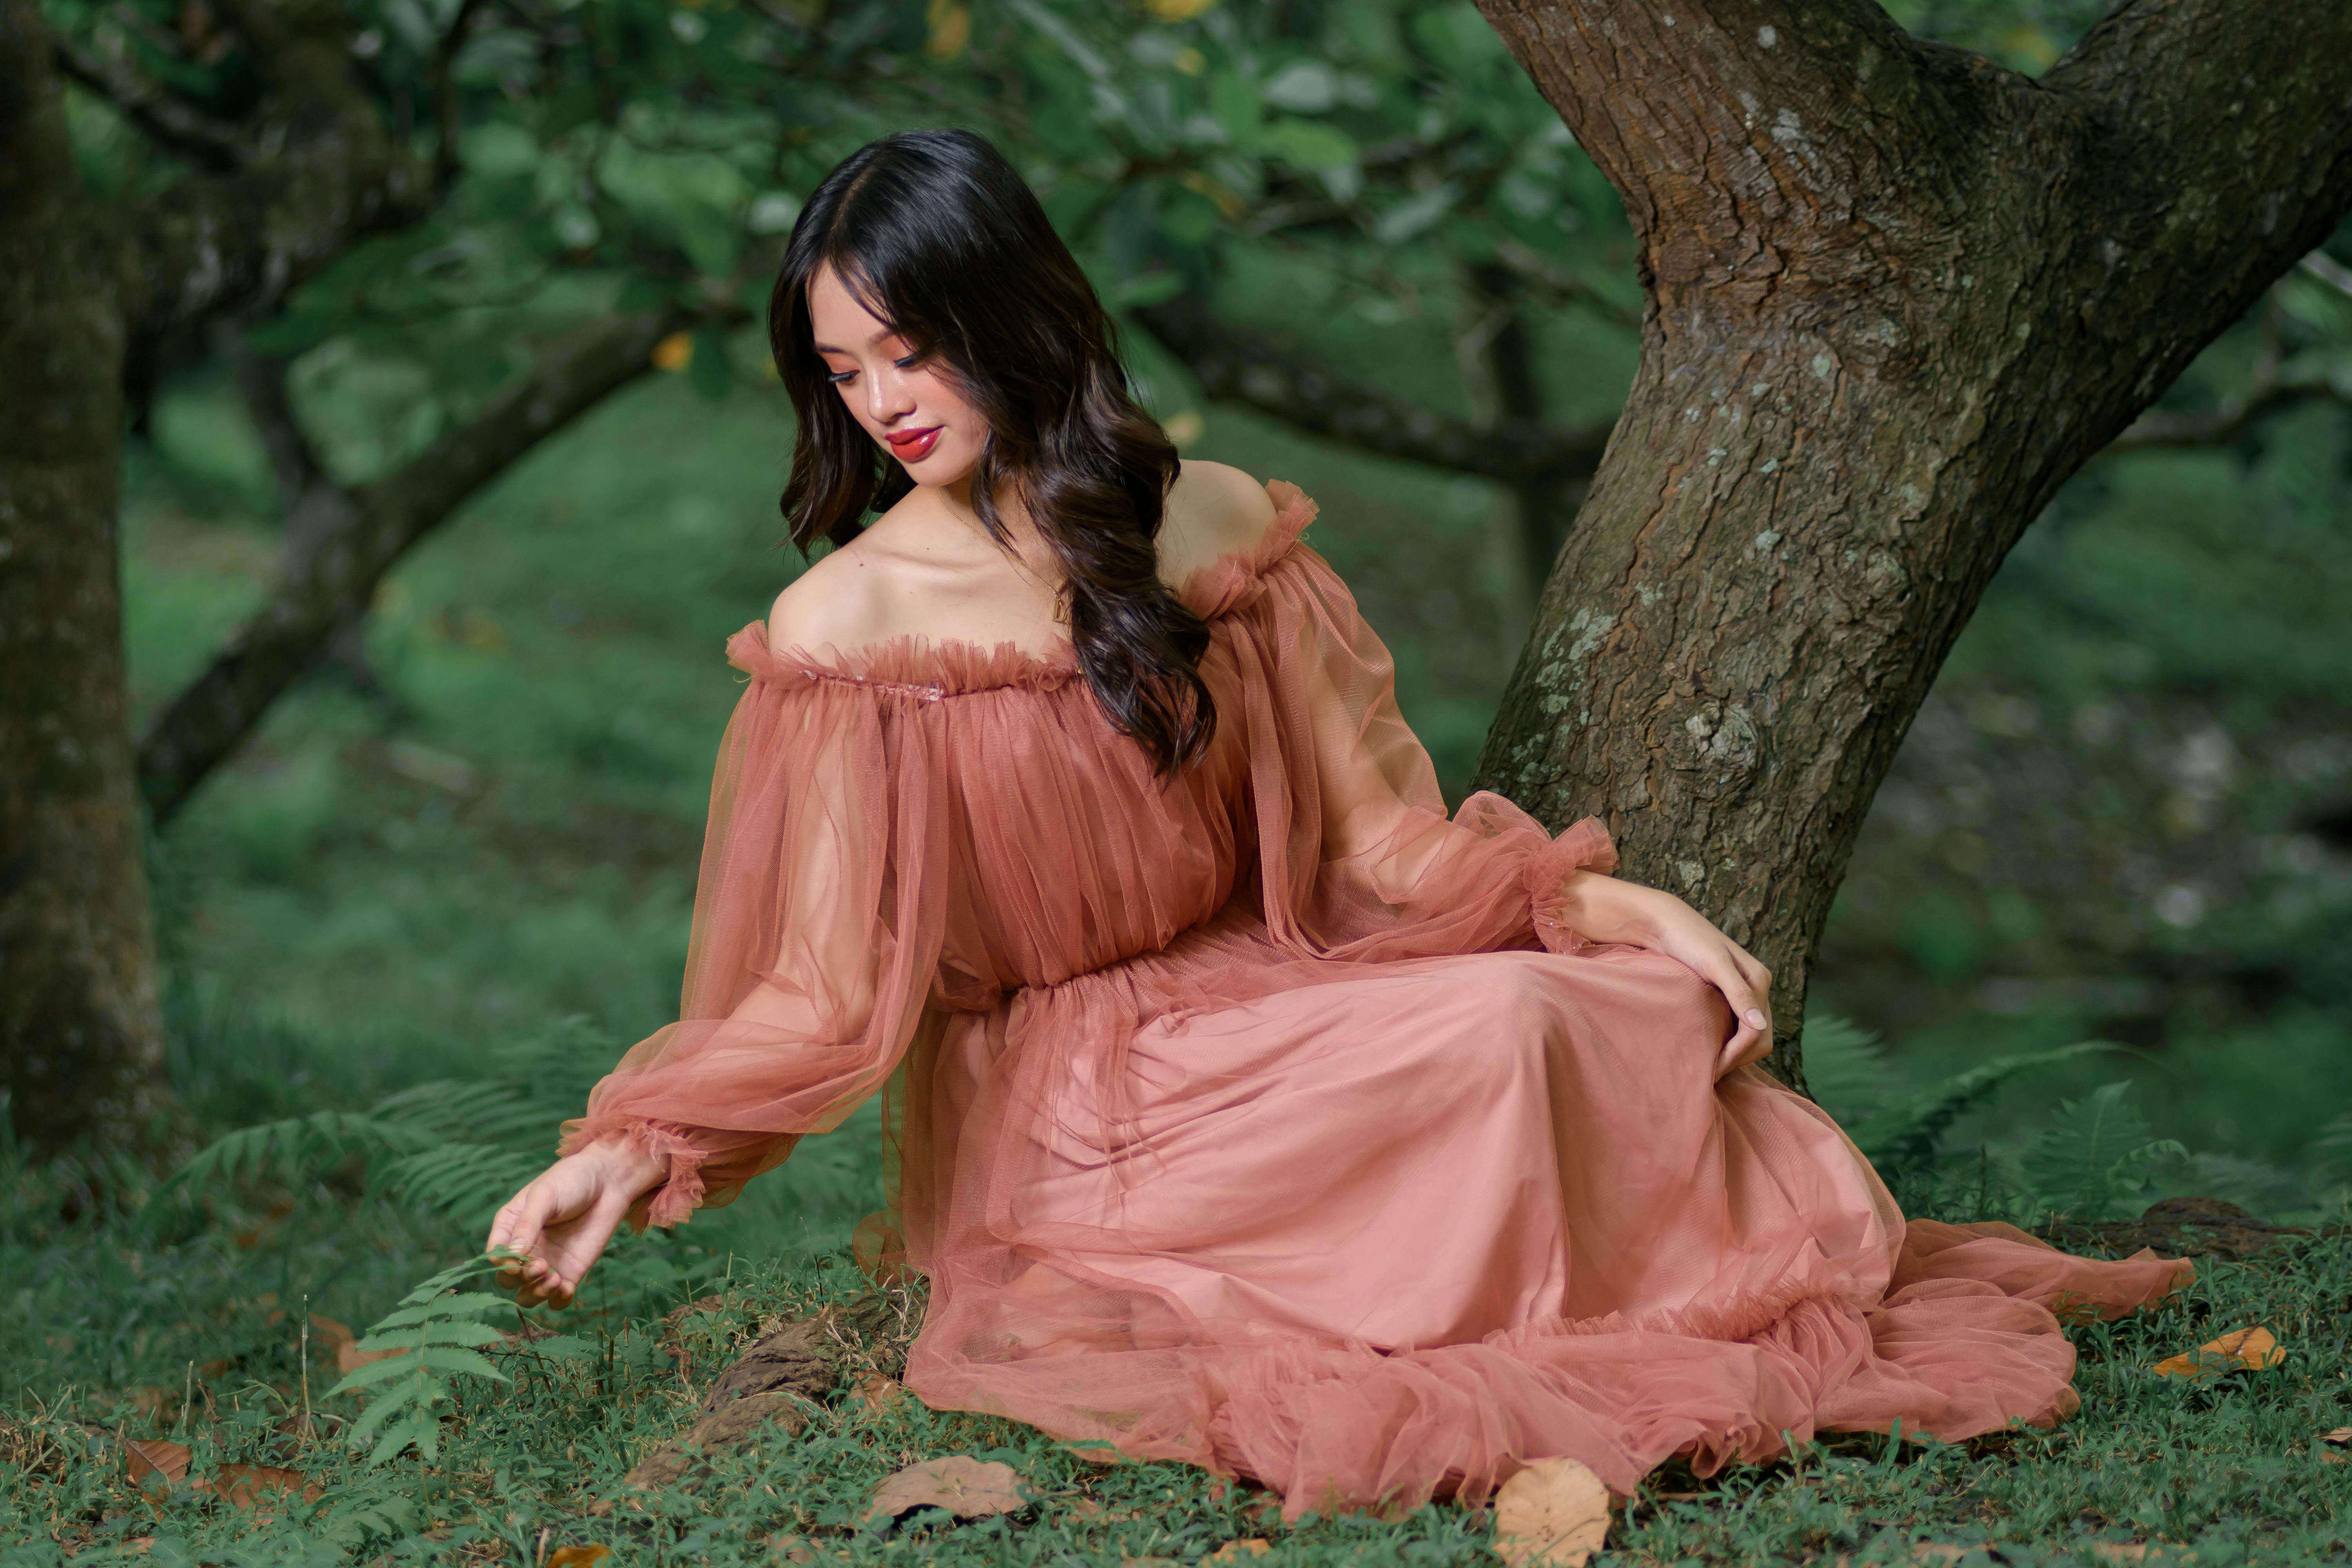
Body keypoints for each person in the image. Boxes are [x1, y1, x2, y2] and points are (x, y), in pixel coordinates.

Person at [486, 127, 2188, 1520]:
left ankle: (1585, 1288)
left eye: (911, 348)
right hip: (1075, 1091)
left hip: (1264, 987)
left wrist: (1612, 905)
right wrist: (633, 1145)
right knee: (1491, 1040)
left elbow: (1382, 840)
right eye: (844, 366)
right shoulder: (849, 632)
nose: (883, 400)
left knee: (1568, 1009)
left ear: (1009, 313)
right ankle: (1483, 1313)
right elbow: (815, 986)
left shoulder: (1206, 523)